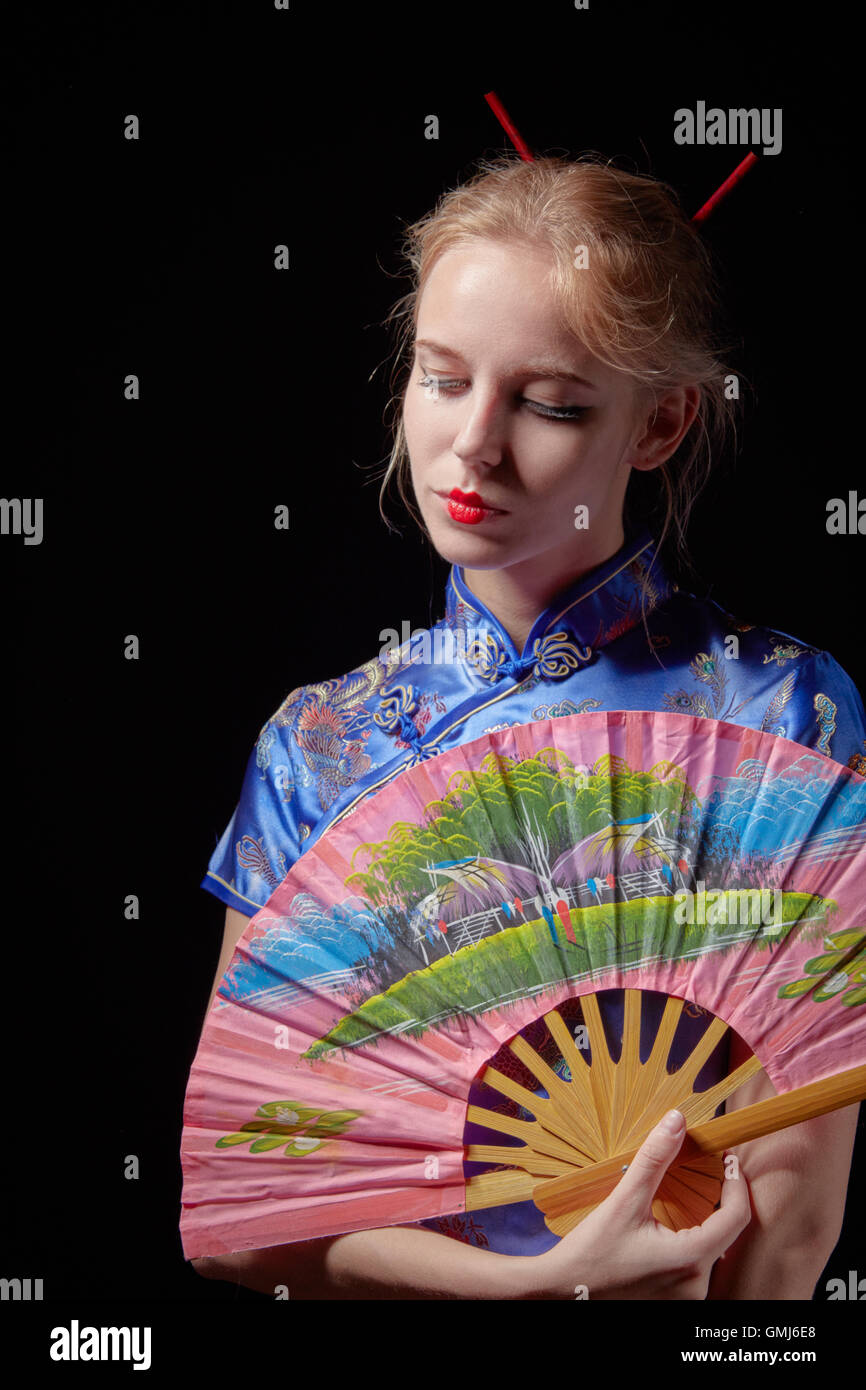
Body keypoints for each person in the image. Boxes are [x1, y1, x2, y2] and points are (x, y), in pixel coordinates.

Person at [189, 154, 864, 1299]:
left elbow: (786, 1245)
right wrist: (530, 1286)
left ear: (659, 425)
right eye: (442, 379)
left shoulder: (777, 711)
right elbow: (240, 1219)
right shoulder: (319, 745)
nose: (474, 446)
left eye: (549, 403)